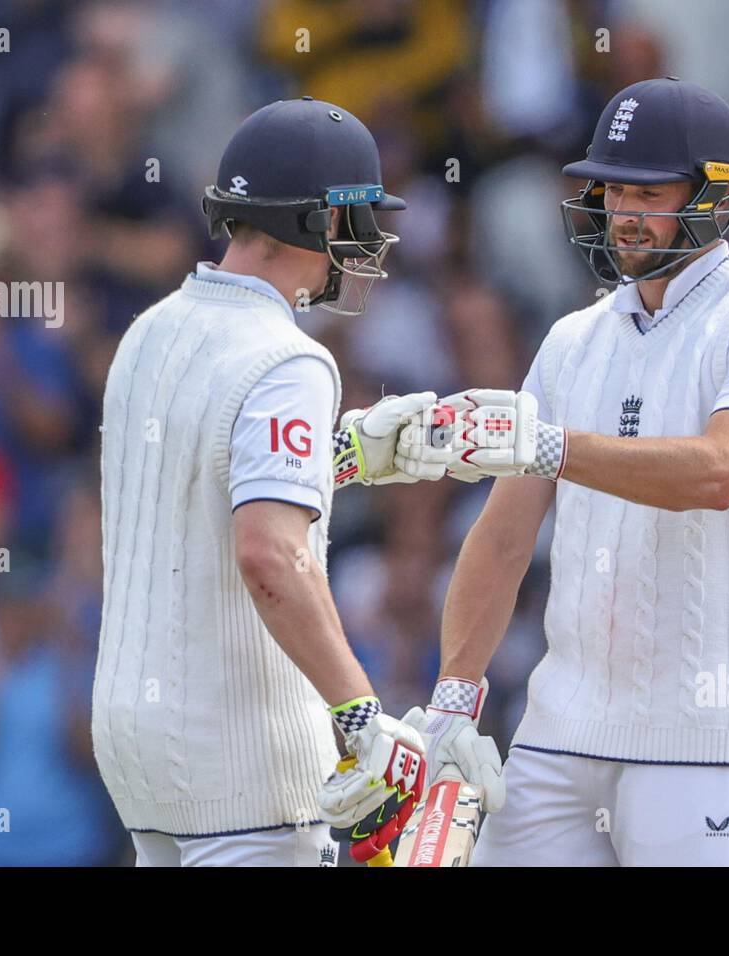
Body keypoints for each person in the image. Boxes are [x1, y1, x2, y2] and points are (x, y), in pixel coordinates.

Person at [396, 77, 729, 866]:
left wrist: (554, 447)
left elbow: (721, 471)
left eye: (650, 191)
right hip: (557, 735)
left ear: (715, 198)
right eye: (614, 188)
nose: (624, 210)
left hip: (701, 744)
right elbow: (503, 535)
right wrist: (455, 694)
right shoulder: (570, 340)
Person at [91, 97, 436, 867]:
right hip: (242, 755)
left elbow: (191, 479)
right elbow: (270, 553)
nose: (367, 243)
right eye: (355, 220)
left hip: (135, 744)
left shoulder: (149, 330)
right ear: (315, 223)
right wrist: (360, 713)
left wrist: (337, 455)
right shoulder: (289, 359)